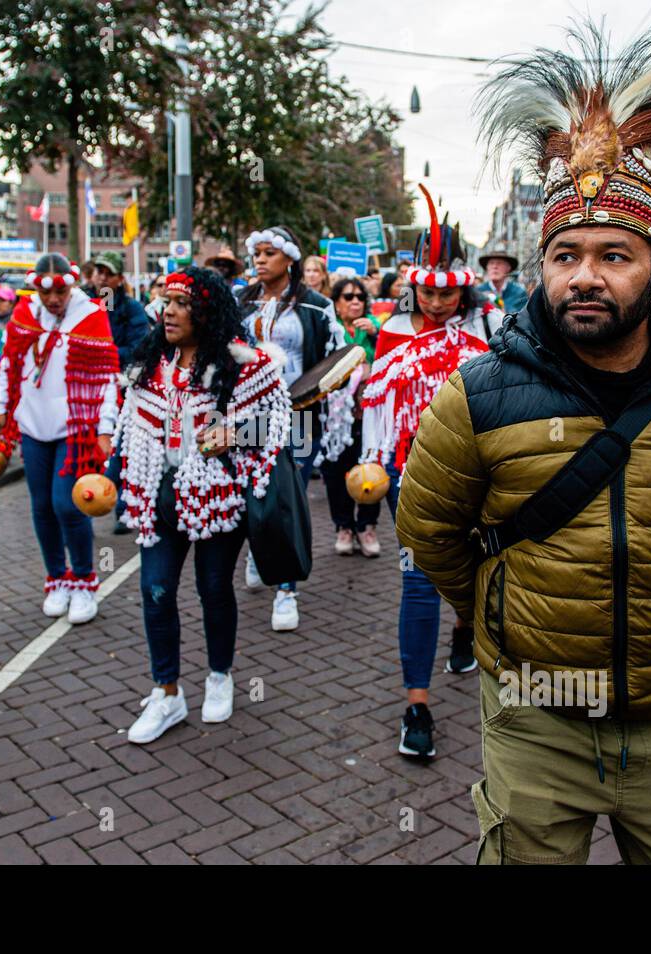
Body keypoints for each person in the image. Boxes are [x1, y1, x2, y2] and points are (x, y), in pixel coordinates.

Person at [398, 29, 651, 864]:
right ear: (542, 266)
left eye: (615, 254)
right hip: (536, 717)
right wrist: (499, 612)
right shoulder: (478, 394)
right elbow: (428, 529)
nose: (586, 276)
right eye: (565, 254)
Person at [114, 266, 292, 742]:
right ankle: (166, 692)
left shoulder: (247, 363)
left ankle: (220, 675)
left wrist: (236, 433)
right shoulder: (147, 363)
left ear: (207, 310)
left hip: (219, 497)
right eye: (166, 301)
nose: (168, 311)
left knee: (213, 588)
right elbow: (128, 428)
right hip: (156, 495)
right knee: (155, 591)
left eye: (182, 303)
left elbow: (295, 427)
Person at [359, 186, 489, 759]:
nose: (438, 306)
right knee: (418, 579)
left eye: (449, 295)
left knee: (471, 569)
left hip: (473, 473)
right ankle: (417, 705)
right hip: (406, 471)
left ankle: (465, 627)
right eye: (428, 295)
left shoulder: (488, 331)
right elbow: (375, 403)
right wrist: (369, 457)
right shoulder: (389, 333)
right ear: (412, 285)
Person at [0, 253, 119, 625]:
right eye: (45, 292)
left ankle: (83, 579)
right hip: (32, 424)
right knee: (41, 506)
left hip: (75, 427)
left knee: (68, 504)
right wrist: (1, 406)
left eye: (60, 290)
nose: (53, 299)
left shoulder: (92, 315)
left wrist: (105, 429)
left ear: (71, 284)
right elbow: (8, 363)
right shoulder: (24, 315)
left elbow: (108, 375)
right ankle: (56, 578)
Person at [238, 225, 345, 631]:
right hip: (248, 414)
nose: (260, 259)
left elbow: (334, 360)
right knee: (252, 489)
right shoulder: (240, 301)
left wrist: (318, 392)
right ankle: (257, 550)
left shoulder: (316, 305)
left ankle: (286, 589)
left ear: (290, 260)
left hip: (297, 413)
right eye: (257, 253)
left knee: (289, 493)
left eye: (269, 253)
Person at [321, 277, 381, 557]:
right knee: (336, 472)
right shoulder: (328, 329)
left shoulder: (376, 326)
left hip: (368, 415)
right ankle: (343, 527)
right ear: (336, 303)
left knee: (369, 466)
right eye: (348, 296)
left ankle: (366, 526)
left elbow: (391, 357)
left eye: (360, 296)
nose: (355, 301)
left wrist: (377, 333)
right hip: (335, 418)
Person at [90, 251, 152, 370]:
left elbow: (138, 348)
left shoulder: (132, 308)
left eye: (110, 274)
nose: (103, 278)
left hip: (118, 375)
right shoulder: (80, 301)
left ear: (120, 279)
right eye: (100, 271)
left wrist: (102, 354)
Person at [476, 249, 529, 316]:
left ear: (508, 268)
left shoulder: (519, 293)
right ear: (487, 268)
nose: (495, 267)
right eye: (491, 263)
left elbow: (522, 319)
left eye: (499, 263)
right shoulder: (478, 291)